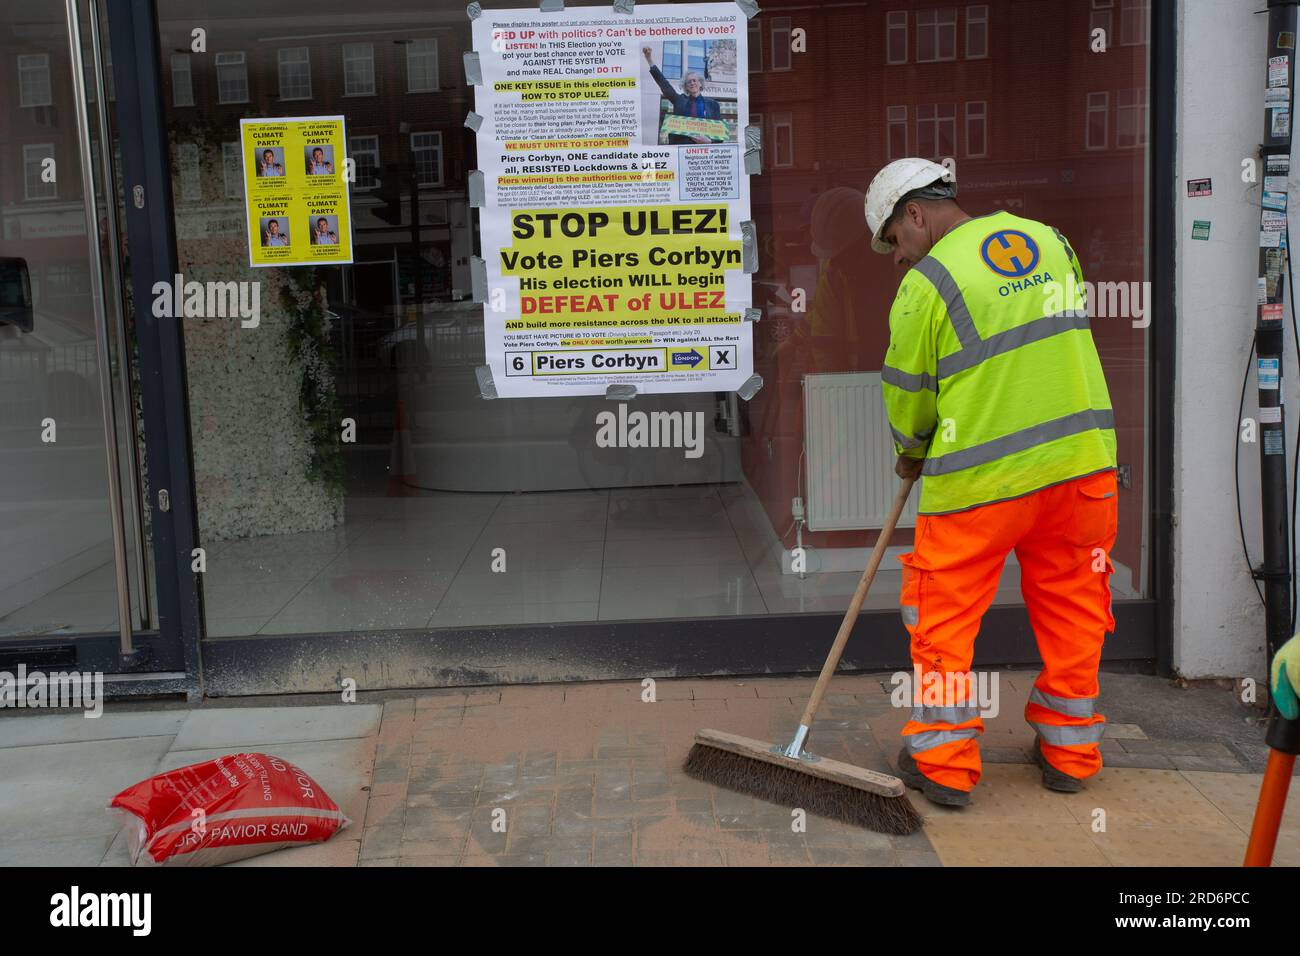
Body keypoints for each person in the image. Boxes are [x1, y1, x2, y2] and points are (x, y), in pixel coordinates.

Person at [866, 157, 1117, 808]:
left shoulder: (928, 284)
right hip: (1081, 470)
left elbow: (909, 390)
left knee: (944, 616)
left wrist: (912, 450)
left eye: (894, 240)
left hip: (982, 482)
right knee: (1075, 609)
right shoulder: (1051, 241)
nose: (897, 258)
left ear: (915, 213)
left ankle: (945, 764)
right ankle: (1070, 751)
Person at [642, 47, 721, 144]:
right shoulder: (679, 100)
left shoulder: (713, 104)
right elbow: (663, 84)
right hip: (681, 149)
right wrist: (649, 59)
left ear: (700, 83)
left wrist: (709, 141)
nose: (692, 83)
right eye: (688, 82)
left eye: (694, 80)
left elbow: (719, 133)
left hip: (705, 151)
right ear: (686, 87)